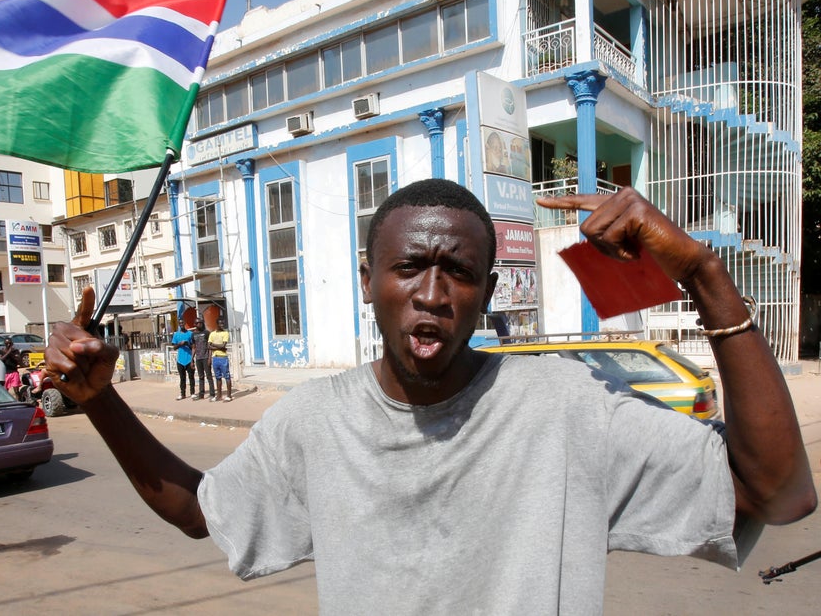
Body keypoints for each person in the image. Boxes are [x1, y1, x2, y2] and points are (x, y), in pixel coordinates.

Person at [43, 179, 815, 613]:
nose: (434, 293)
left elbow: (777, 492)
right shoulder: (314, 421)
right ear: (368, 282)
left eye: (461, 272)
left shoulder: (563, 406)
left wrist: (705, 276)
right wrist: (103, 402)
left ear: (487, 293)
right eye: (410, 265)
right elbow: (199, 511)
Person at [208, 318, 232, 402]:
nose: (222, 325)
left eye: (223, 323)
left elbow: (223, 345)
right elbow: (209, 346)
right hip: (215, 357)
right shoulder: (212, 334)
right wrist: (220, 347)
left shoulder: (225, 333)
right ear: (217, 324)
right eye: (220, 323)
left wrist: (214, 345)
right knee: (218, 377)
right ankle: (219, 395)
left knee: (227, 376)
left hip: (223, 357)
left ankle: (229, 395)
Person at [170, 323, 194, 400]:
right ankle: (182, 393)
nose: (182, 325)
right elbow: (174, 347)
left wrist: (187, 343)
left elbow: (193, 347)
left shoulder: (190, 334)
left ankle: (192, 393)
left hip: (189, 359)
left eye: (183, 324)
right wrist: (180, 344)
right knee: (182, 378)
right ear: (179, 325)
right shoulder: (176, 334)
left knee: (191, 377)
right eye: (180, 324)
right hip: (180, 360)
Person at [191, 322, 214, 401]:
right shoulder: (193, 334)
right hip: (198, 358)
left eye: (201, 323)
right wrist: (192, 360)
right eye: (197, 323)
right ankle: (201, 394)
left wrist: (210, 358)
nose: (199, 324)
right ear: (195, 324)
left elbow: (209, 346)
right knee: (201, 376)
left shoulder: (206, 333)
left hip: (205, 357)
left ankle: (212, 394)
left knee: (209, 376)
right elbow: (193, 347)